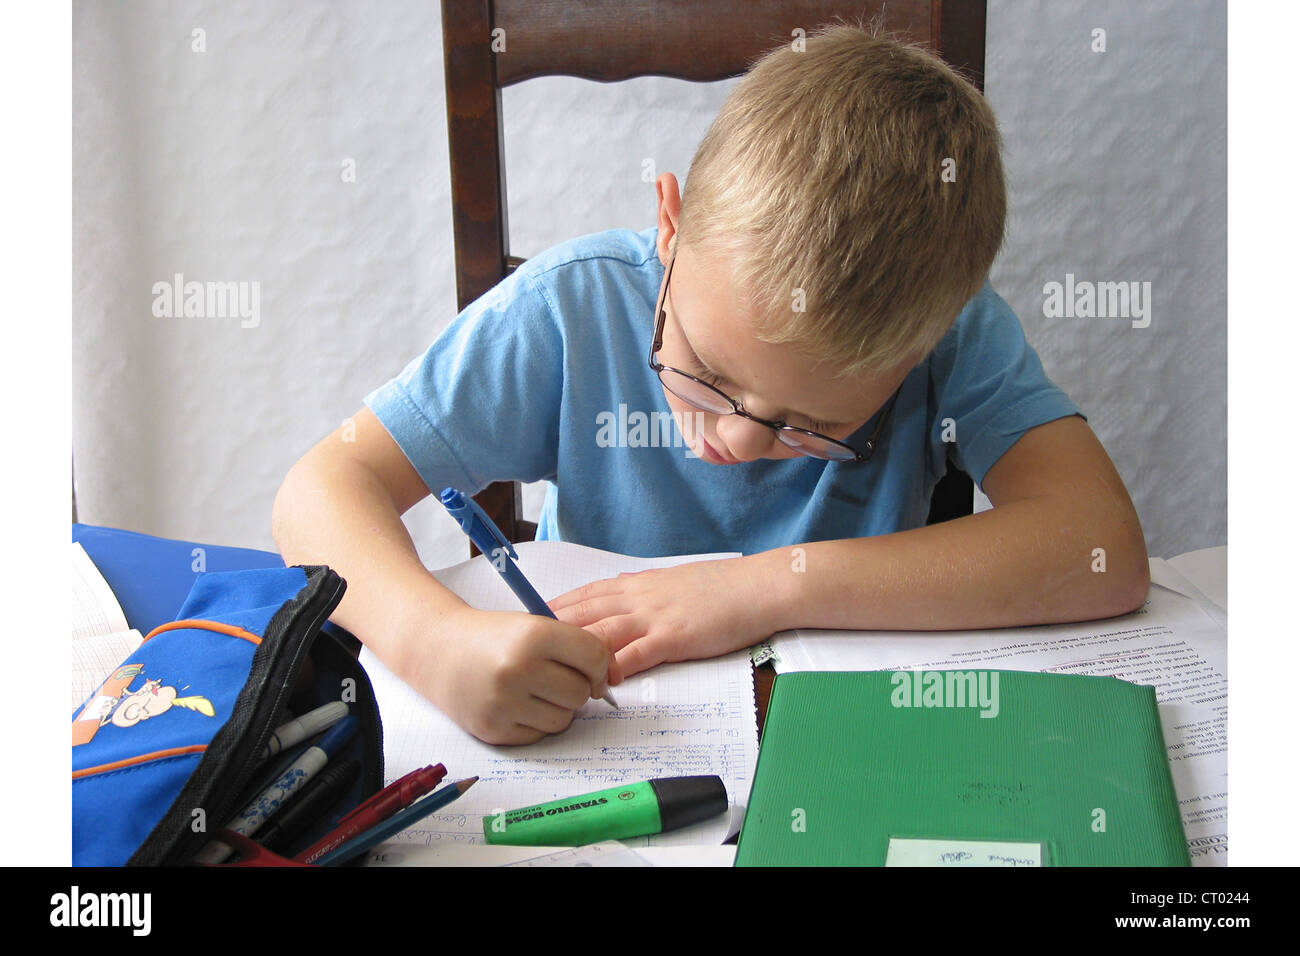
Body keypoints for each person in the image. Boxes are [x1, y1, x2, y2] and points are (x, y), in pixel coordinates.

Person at [272, 26, 1148, 745]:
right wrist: (434, 643)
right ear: (671, 224)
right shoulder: (570, 313)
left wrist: (768, 585)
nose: (733, 440)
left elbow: (1099, 548)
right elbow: (319, 491)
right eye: (706, 372)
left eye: (810, 424)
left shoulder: (948, 331)